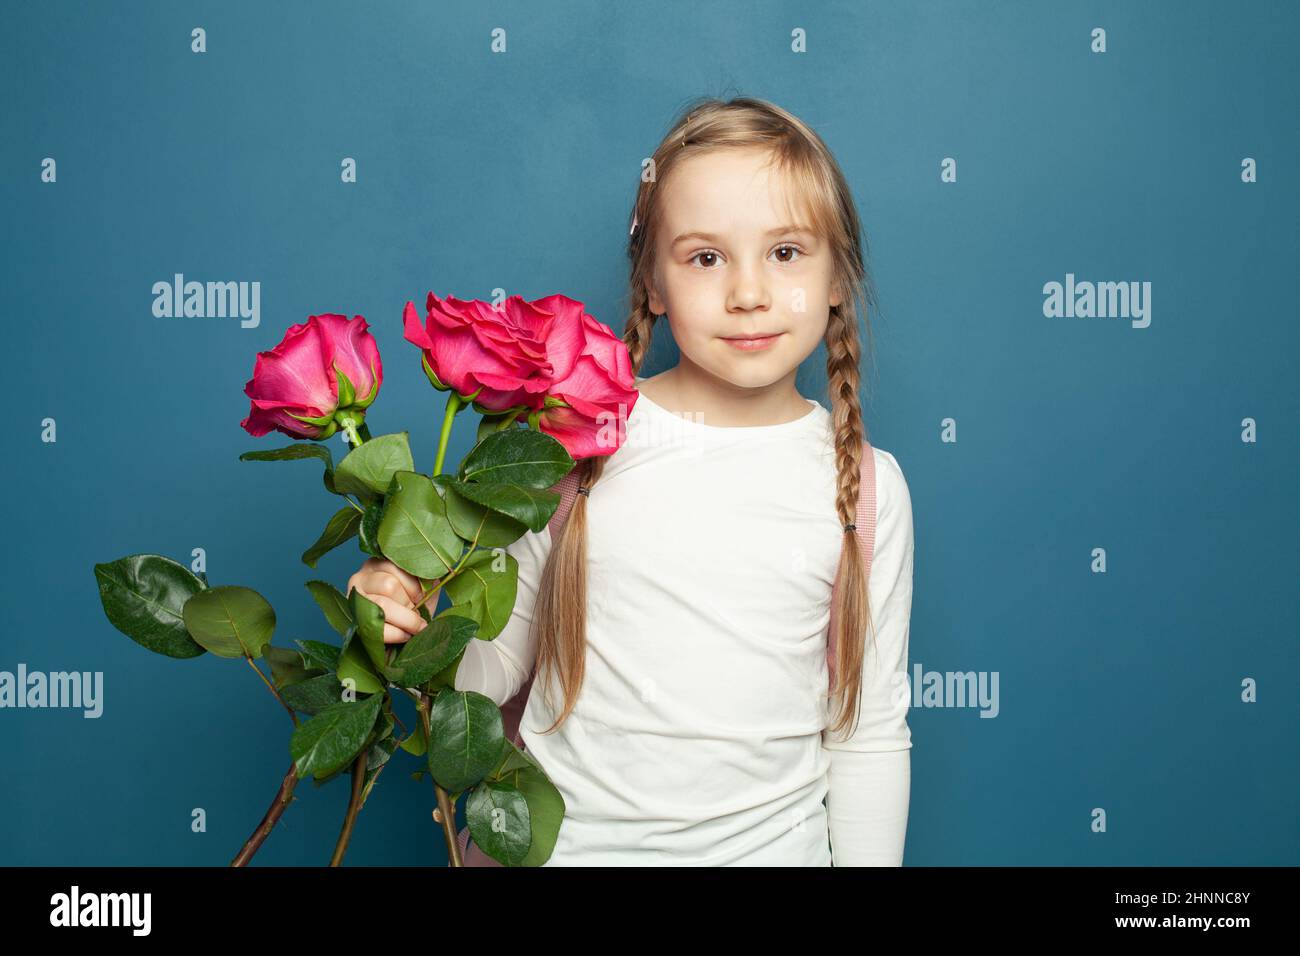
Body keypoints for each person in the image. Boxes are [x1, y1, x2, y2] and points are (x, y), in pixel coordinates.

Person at [349, 96, 915, 866]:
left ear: (837, 274)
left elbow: (869, 729)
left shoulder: (865, 486)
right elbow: (489, 676)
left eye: (786, 252)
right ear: (653, 282)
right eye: (705, 257)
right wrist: (406, 631)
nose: (748, 292)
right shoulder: (574, 445)